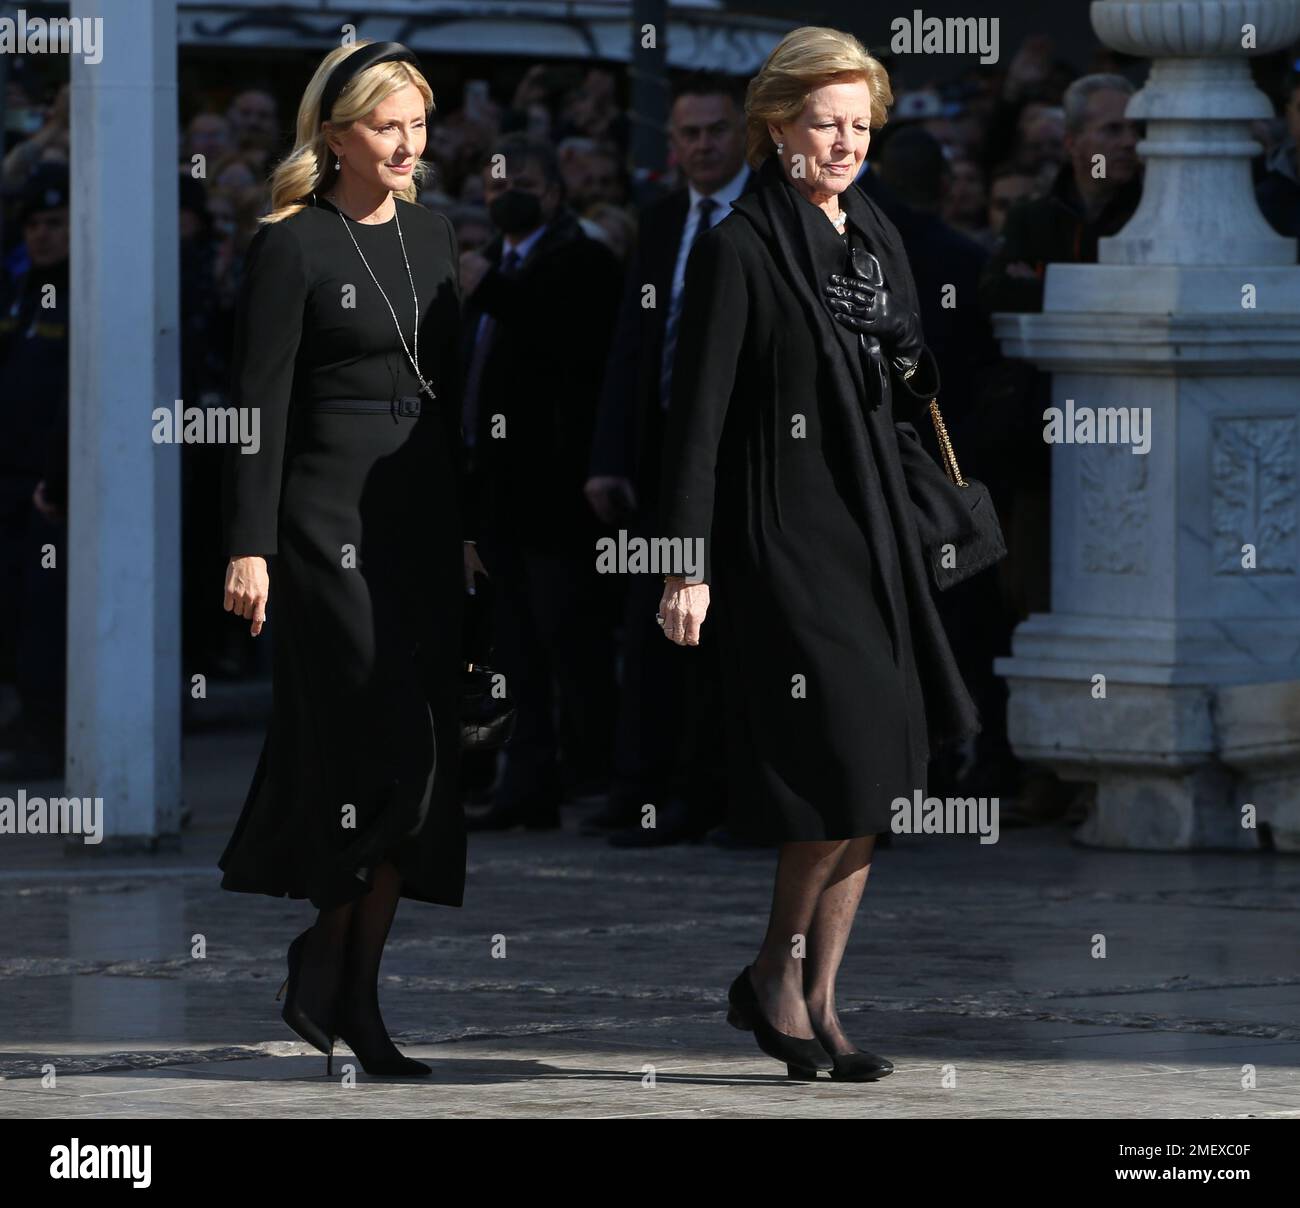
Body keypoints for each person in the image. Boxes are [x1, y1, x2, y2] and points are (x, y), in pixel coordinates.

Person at [657, 26, 981, 1081]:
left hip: (874, 528)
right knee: (834, 768)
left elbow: (899, 380)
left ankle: (810, 996)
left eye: (859, 126)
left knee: (878, 779)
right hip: (782, 536)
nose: (843, 144)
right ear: (776, 125)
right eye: (823, 123)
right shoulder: (740, 245)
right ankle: (774, 974)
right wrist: (683, 561)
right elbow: (695, 417)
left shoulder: (871, 235)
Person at [217, 40, 484, 1078]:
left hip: (417, 520)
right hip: (322, 528)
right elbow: (258, 408)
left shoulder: (435, 230)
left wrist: (467, 528)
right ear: (334, 135)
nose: (409, 143)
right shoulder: (291, 244)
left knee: (418, 768)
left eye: (418, 123)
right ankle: (332, 965)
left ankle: (347, 982)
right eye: (387, 125)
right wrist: (249, 543)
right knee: (365, 751)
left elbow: (453, 398)